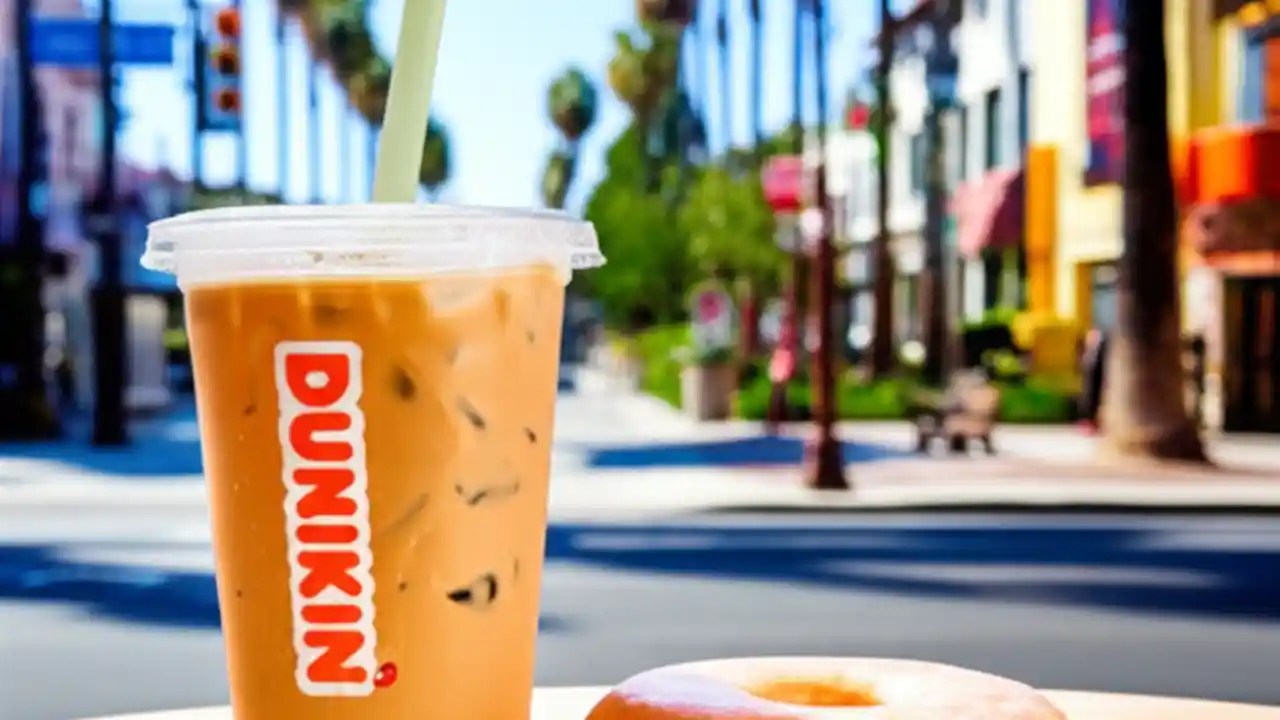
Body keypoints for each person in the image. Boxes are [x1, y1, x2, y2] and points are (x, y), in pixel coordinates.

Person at [765, 308, 797, 434]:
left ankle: (779, 418)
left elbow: (787, 347)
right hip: (781, 357)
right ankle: (776, 418)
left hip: (783, 357)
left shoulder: (788, 331)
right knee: (778, 391)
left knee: (779, 391)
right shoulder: (784, 331)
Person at [1077, 327, 1109, 435]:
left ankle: (1091, 419)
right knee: (1093, 377)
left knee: (1094, 378)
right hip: (1100, 334)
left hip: (1103, 335)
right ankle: (1090, 419)